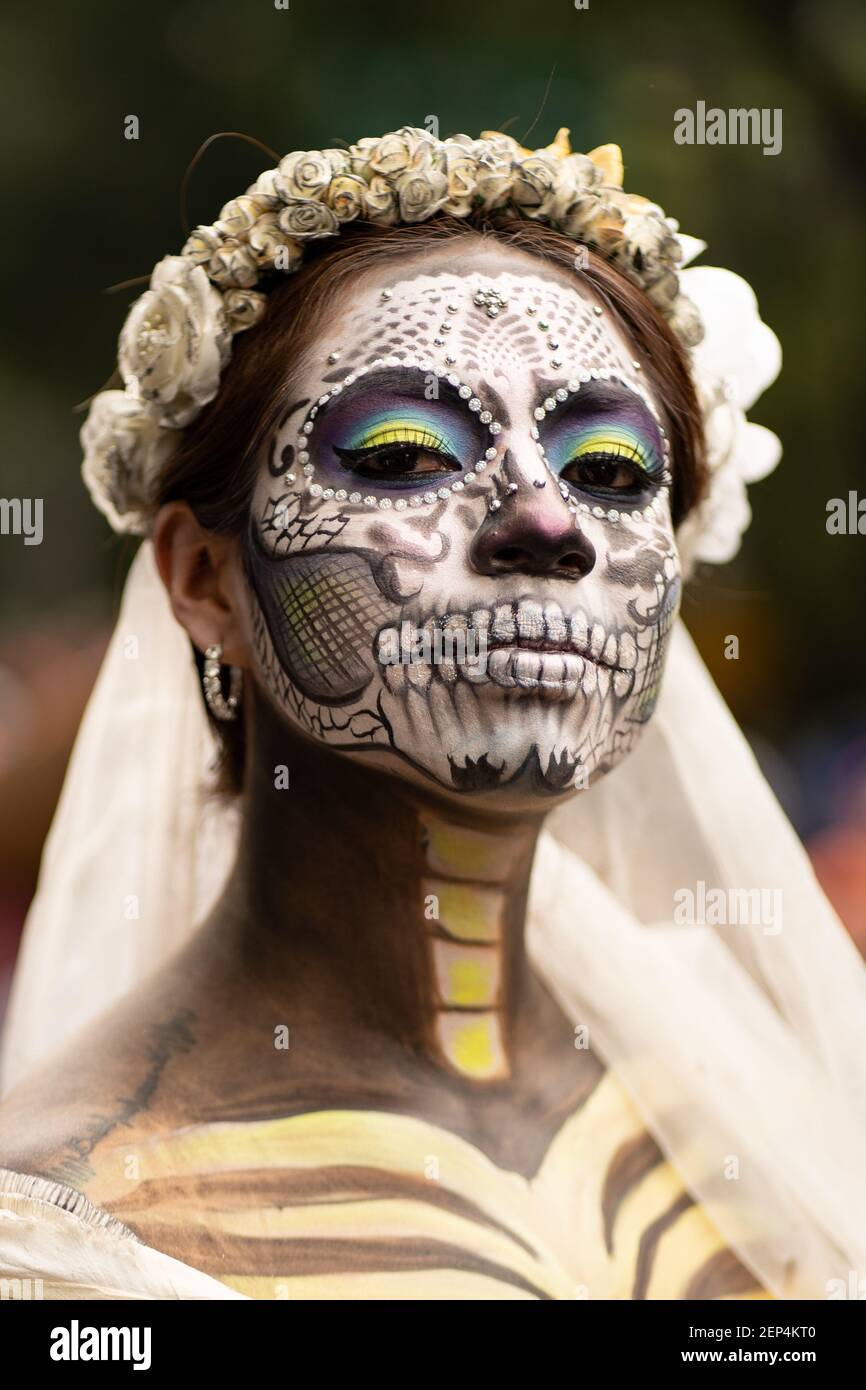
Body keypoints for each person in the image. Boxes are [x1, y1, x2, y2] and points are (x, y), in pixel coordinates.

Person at [0, 127, 864, 1301]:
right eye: (407, 451)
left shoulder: (743, 1097)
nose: (544, 524)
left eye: (609, 469)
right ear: (204, 582)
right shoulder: (75, 1241)